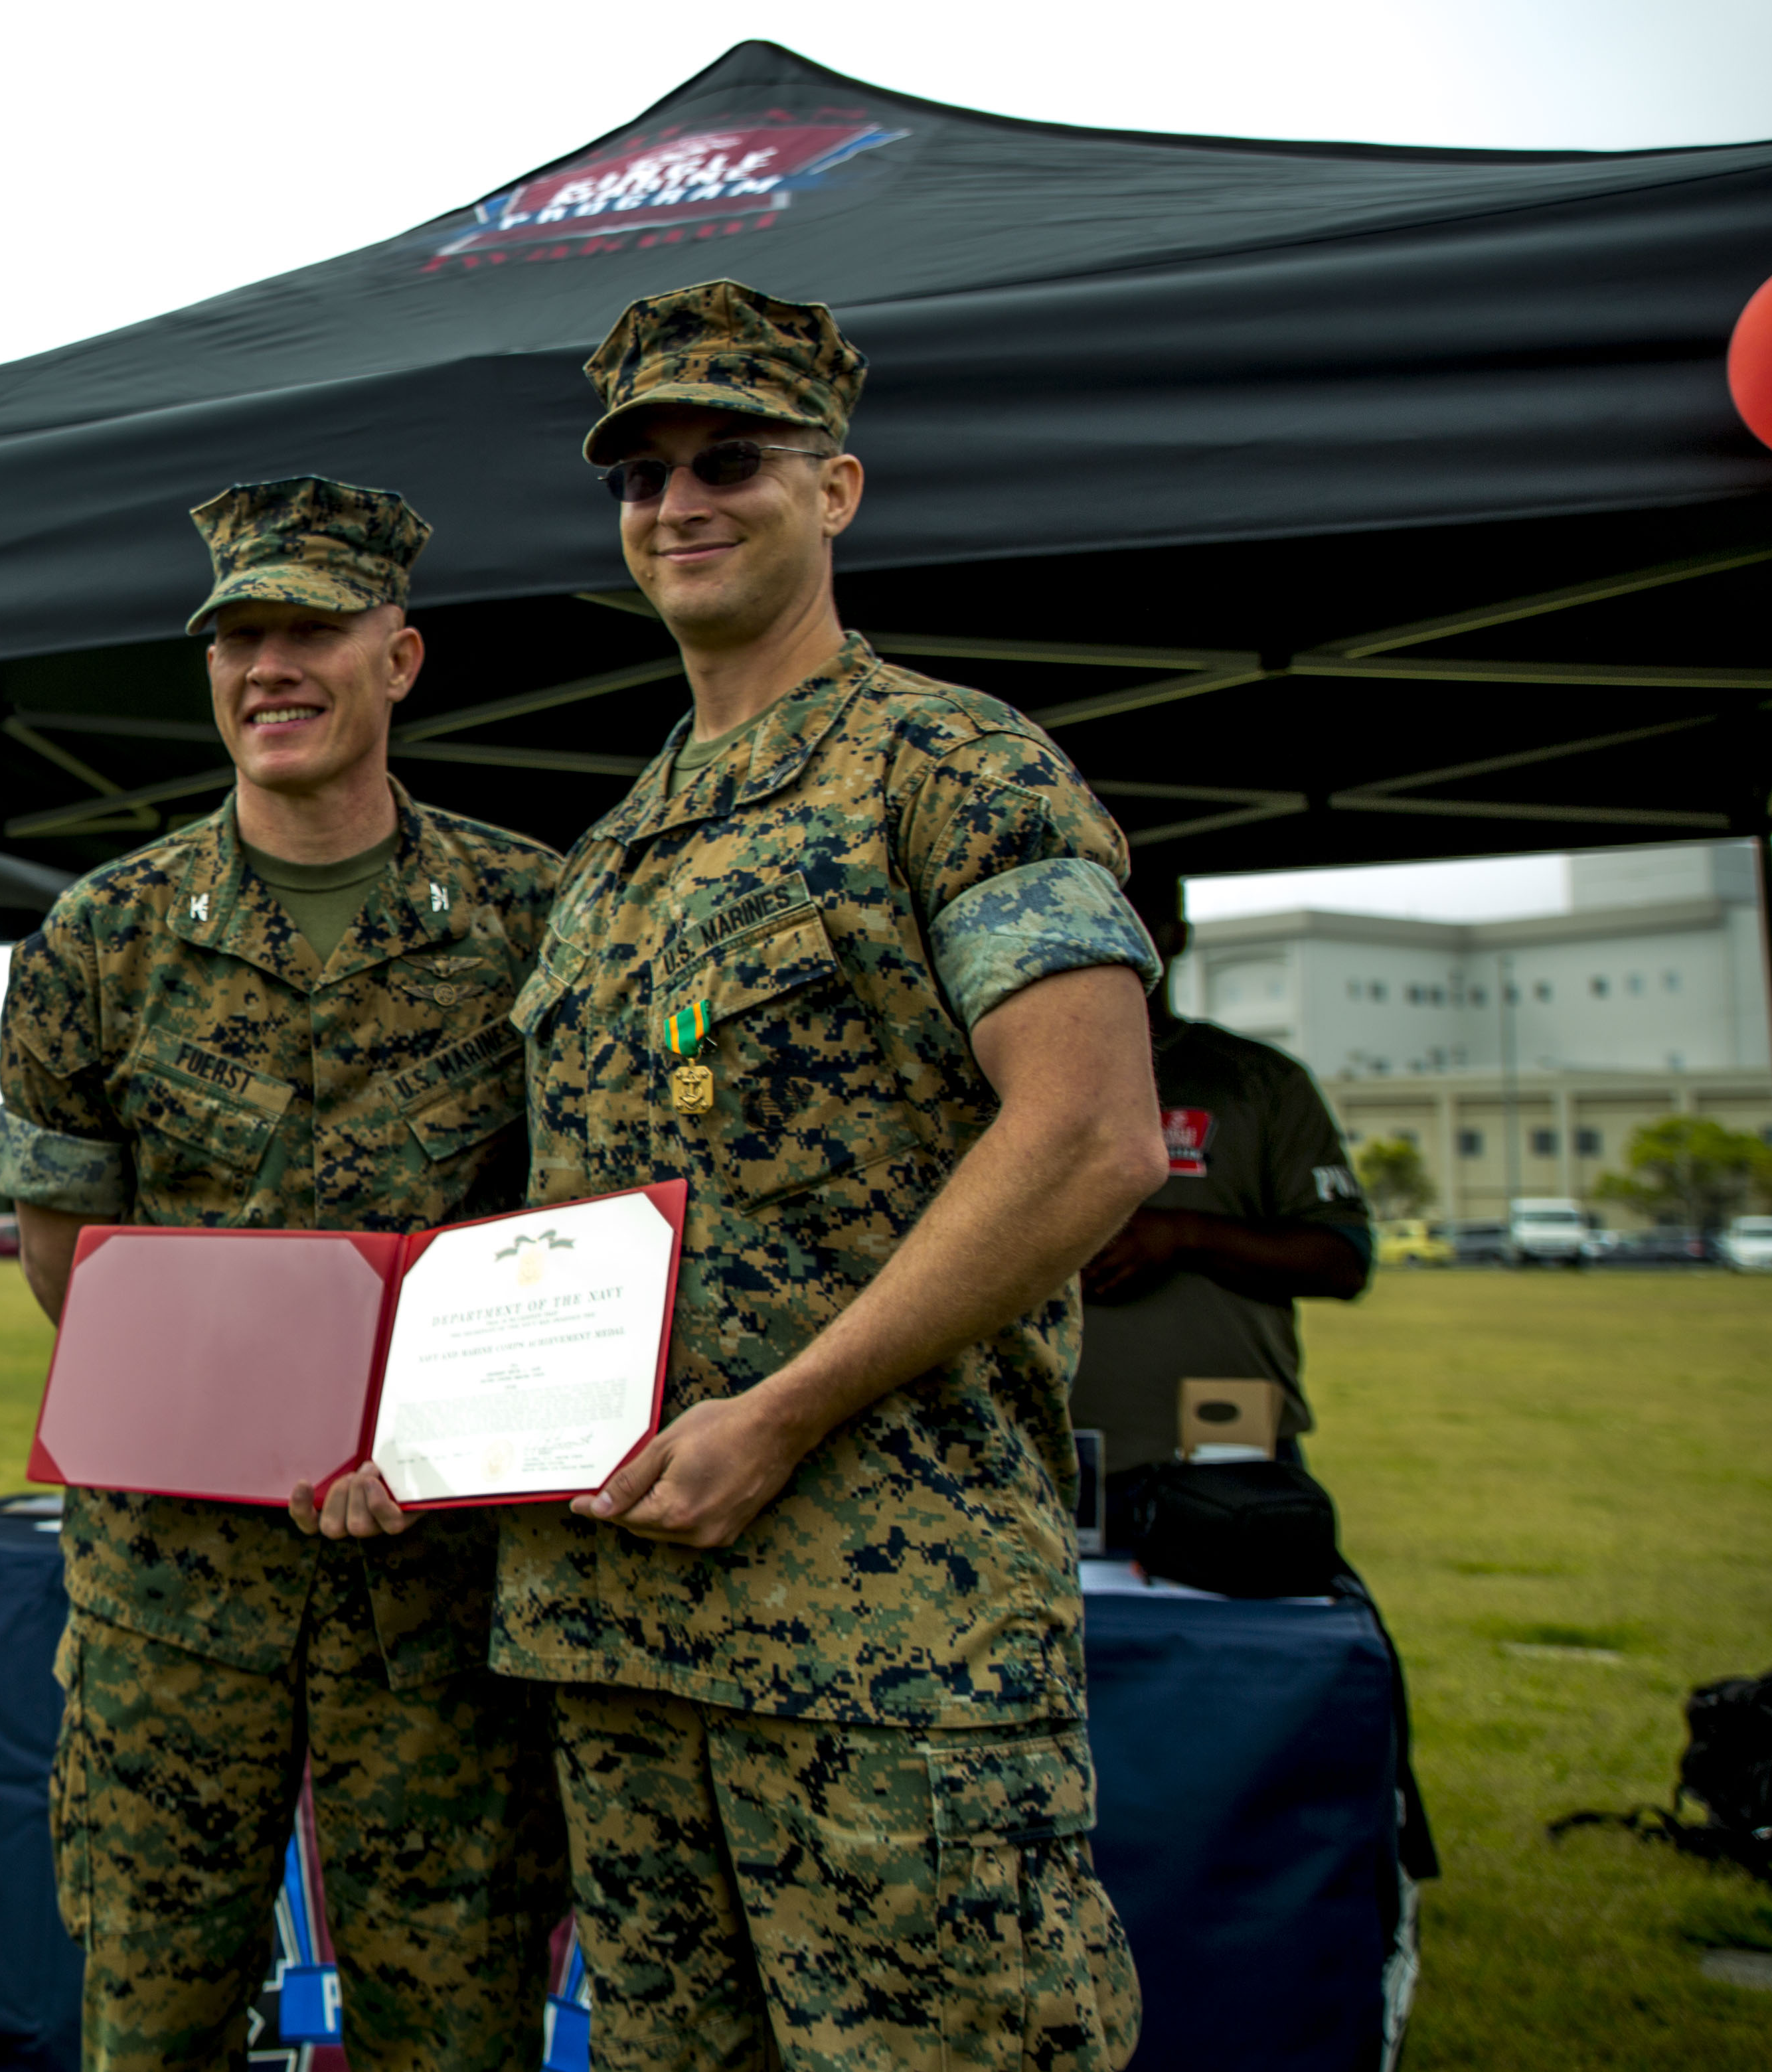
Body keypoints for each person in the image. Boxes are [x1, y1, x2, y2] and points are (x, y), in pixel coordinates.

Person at [431, 280, 1165, 2071]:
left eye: (729, 458)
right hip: (617, 1631)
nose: (679, 500)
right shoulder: (607, 858)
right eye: (643, 473)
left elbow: (1087, 1132)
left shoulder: (948, 766)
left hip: (879, 1644)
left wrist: (785, 1408)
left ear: (833, 489)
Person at [0, 476, 566, 2071]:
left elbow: (568, 1242)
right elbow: (67, 1256)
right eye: (238, 633)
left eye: (311, 626)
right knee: (153, 2017)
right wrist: (252, 1415)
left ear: (401, 656)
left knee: (454, 2026)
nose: (270, 666)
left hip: (436, 1591)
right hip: (172, 1592)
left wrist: (431, 1438)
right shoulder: (97, 939)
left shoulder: (533, 916)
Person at [1074, 870, 1372, 1542]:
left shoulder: (1258, 1082)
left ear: (1177, 932)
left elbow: (1343, 1261)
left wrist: (1183, 1235)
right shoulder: (990, 1085)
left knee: (1236, 1643)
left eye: (1135, 910)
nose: (1111, 931)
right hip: (1042, 1443)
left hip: (1223, 1440)